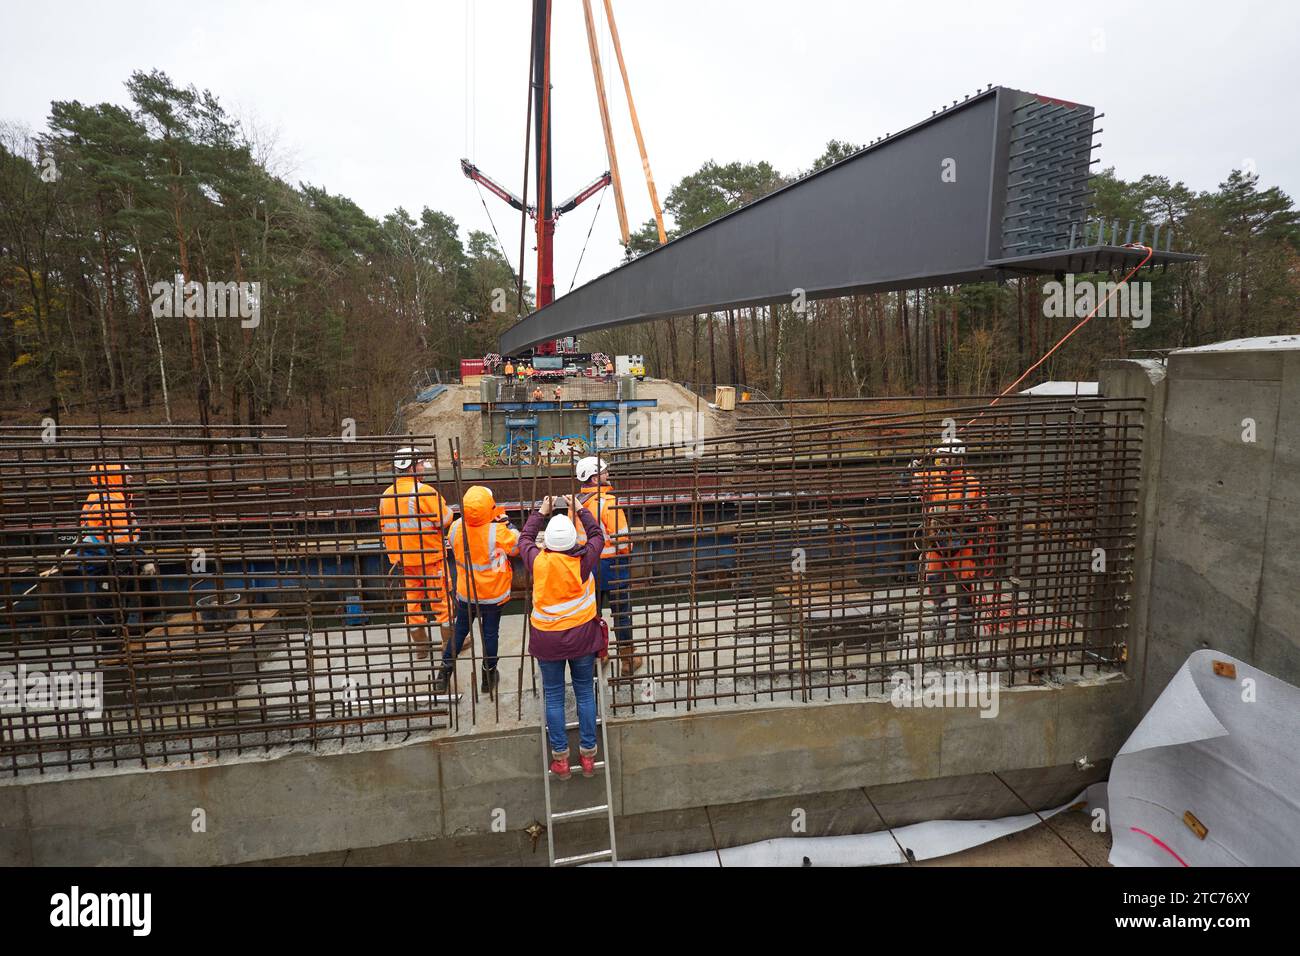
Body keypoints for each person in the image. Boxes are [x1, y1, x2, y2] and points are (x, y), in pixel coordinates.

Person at [519, 494, 605, 780]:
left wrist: (540, 511)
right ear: (571, 542)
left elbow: (524, 539)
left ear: (549, 544)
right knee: (584, 691)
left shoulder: (538, 562)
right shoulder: (582, 561)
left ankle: (561, 760)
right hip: (581, 637)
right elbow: (597, 534)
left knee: (554, 697)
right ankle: (589, 755)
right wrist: (579, 508)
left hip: (548, 640)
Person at [438, 486, 519, 694]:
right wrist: (508, 524)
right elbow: (517, 547)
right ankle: (488, 676)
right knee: (490, 634)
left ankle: (444, 673)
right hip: (492, 595)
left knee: (459, 632)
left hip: (466, 594)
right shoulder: (498, 531)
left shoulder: (456, 527)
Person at [908, 439, 990, 643]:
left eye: (947, 458)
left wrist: (966, 521)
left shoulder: (971, 483)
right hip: (937, 540)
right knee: (935, 579)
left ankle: (964, 625)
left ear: (959, 460)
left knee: (965, 582)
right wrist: (911, 468)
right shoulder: (931, 477)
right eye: (941, 458)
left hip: (962, 541)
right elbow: (906, 484)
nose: (943, 462)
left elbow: (983, 512)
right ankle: (940, 621)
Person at [378, 447, 453, 659]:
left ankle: (421, 646)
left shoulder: (386, 495)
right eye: (420, 464)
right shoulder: (424, 491)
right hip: (429, 558)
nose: (423, 468)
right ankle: (448, 644)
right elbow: (445, 519)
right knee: (441, 601)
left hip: (403, 561)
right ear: (411, 467)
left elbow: (385, 528)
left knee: (412, 604)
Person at [574, 456, 640, 675]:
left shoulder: (577, 503)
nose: (607, 475)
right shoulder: (608, 503)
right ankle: (628, 660)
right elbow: (622, 541)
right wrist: (628, 548)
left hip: (587, 567)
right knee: (621, 613)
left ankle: (598, 655)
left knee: (593, 614)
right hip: (612, 568)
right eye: (603, 472)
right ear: (594, 478)